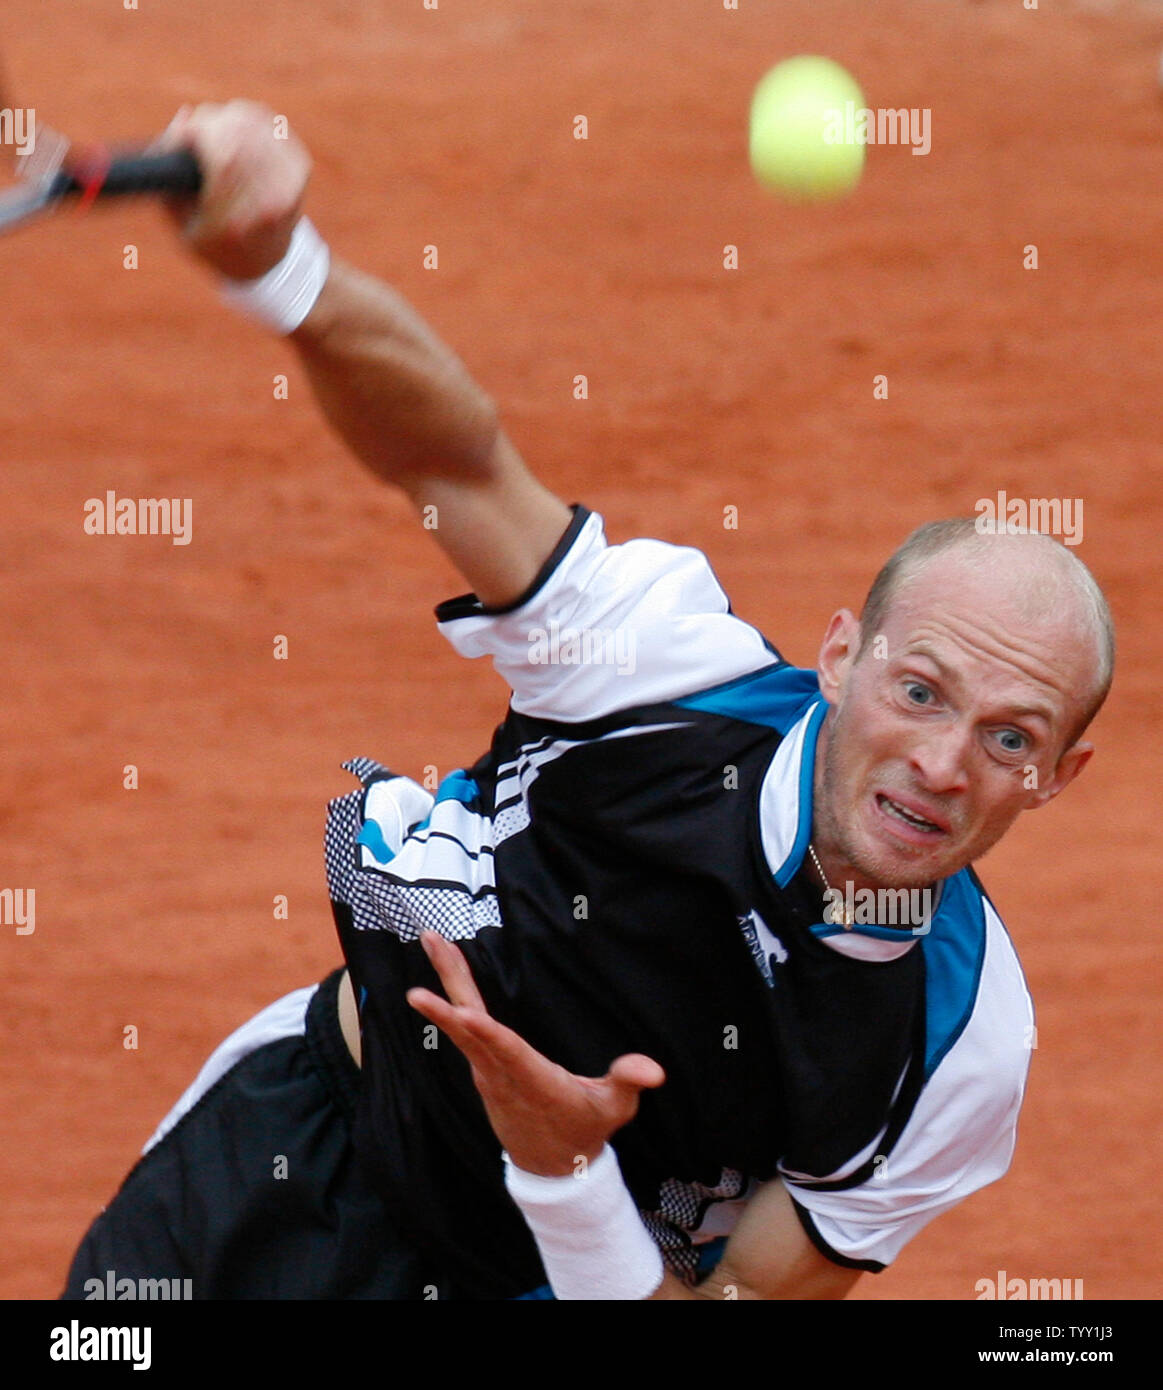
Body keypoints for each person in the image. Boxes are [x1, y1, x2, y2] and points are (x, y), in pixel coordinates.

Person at [62, 102, 1113, 1302]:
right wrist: (281, 270)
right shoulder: (657, 666)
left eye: (1008, 737)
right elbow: (454, 464)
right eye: (920, 690)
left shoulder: (958, 1047)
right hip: (285, 1175)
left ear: (1054, 777)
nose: (940, 761)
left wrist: (559, 1168)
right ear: (840, 657)